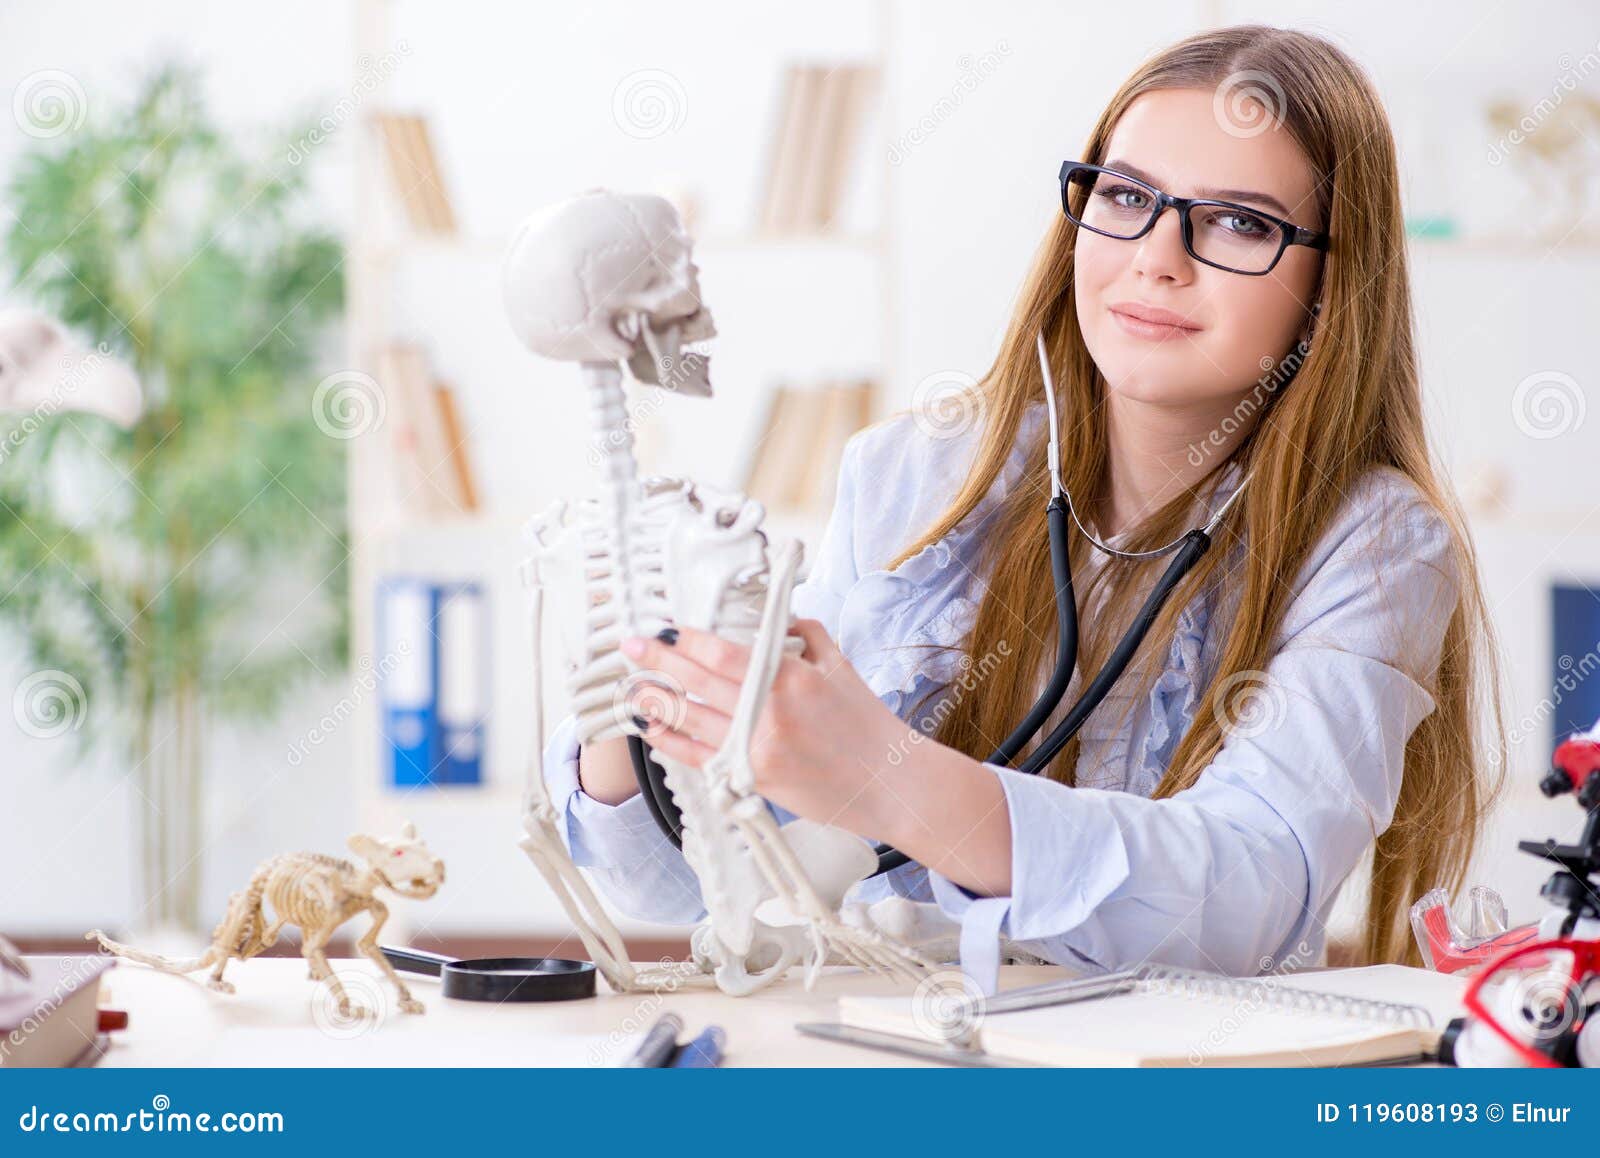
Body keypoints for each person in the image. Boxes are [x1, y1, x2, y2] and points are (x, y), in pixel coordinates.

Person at [542, 24, 1502, 990]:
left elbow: (1246, 897)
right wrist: (632, 699)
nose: (1158, 259)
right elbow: (685, 888)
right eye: (1127, 197)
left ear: (1337, 279)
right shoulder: (916, 476)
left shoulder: (1377, 546)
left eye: (1239, 222)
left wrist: (891, 775)